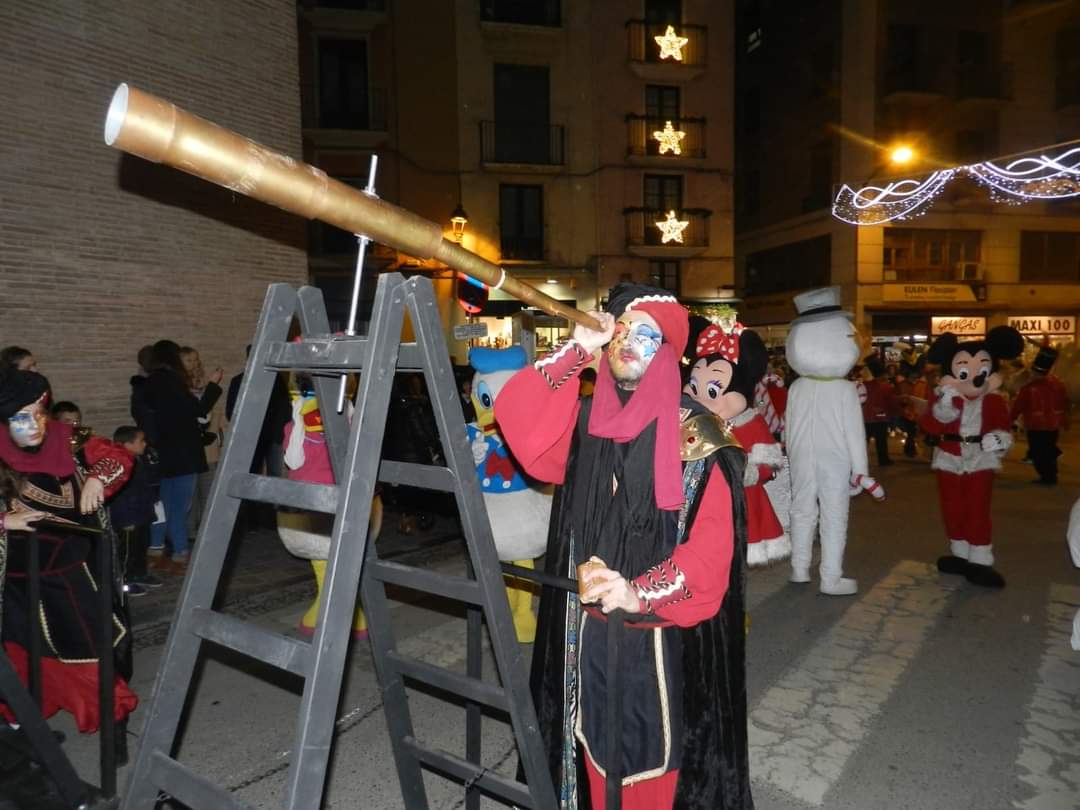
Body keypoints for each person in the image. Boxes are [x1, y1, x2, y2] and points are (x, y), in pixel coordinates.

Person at [495, 283, 753, 810]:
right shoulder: (588, 421)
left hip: (660, 643)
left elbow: (711, 552)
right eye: (621, 330)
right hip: (584, 633)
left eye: (647, 334)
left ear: (671, 350)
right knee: (590, 760)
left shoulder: (699, 437)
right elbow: (519, 422)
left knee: (648, 776)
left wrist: (639, 592)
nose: (629, 342)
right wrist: (576, 349)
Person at [0, 369, 138, 734]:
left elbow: (118, 456)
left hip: (70, 573)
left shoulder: (69, 439)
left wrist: (97, 477)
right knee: (20, 652)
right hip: (13, 580)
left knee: (84, 645)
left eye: (39, 413)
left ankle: (108, 716)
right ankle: (21, 724)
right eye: (21, 417)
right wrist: (4, 521)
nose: (34, 424)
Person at [785, 288, 882, 597]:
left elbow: (789, 428)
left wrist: (791, 456)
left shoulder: (796, 387)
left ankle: (799, 568)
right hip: (835, 460)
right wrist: (861, 471)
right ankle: (830, 578)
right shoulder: (845, 389)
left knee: (801, 510)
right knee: (834, 515)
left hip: (801, 456)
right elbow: (855, 433)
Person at [921, 327, 1024, 589]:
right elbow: (931, 425)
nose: (975, 380)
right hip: (949, 457)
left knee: (977, 508)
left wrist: (1000, 439)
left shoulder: (994, 401)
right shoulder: (945, 398)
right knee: (952, 507)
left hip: (980, 459)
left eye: (982, 372)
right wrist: (944, 405)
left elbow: (1004, 428)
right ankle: (960, 553)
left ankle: (979, 558)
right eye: (964, 372)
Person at [144, 340, 222, 574]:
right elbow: (198, 411)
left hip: (164, 451)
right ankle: (180, 554)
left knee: (163, 506)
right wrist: (213, 385)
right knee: (179, 507)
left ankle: (155, 550)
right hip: (183, 453)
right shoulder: (173, 382)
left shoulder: (149, 382)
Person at [109, 426, 162, 596]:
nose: (145, 444)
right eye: (141, 441)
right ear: (126, 444)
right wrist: (125, 519)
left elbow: (145, 484)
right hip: (128, 515)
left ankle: (139, 573)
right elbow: (120, 494)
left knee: (141, 545)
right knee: (127, 550)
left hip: (142, 511)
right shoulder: (118, 464)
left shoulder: (138, 459)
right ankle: (125, 580)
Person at [1011, 345, 1069, 486]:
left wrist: (1009, 420)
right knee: (1048, 448)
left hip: (1036, 425)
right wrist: (1064, 420)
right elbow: (1064, 404)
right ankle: (1051, 474)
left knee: (1038, 451)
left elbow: (1018, 406)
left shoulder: (1028, 388)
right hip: (1053, 424)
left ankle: (1046, 476)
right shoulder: (1058, 383)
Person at [862, 356, 899, 466]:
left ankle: (859, 461)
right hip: (880, 417)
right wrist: (894, 413)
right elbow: (891, 403)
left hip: (864, 417)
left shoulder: (863, 385)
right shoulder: (886, 386)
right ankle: (883, 460)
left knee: (864, 440)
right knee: (881, 440)